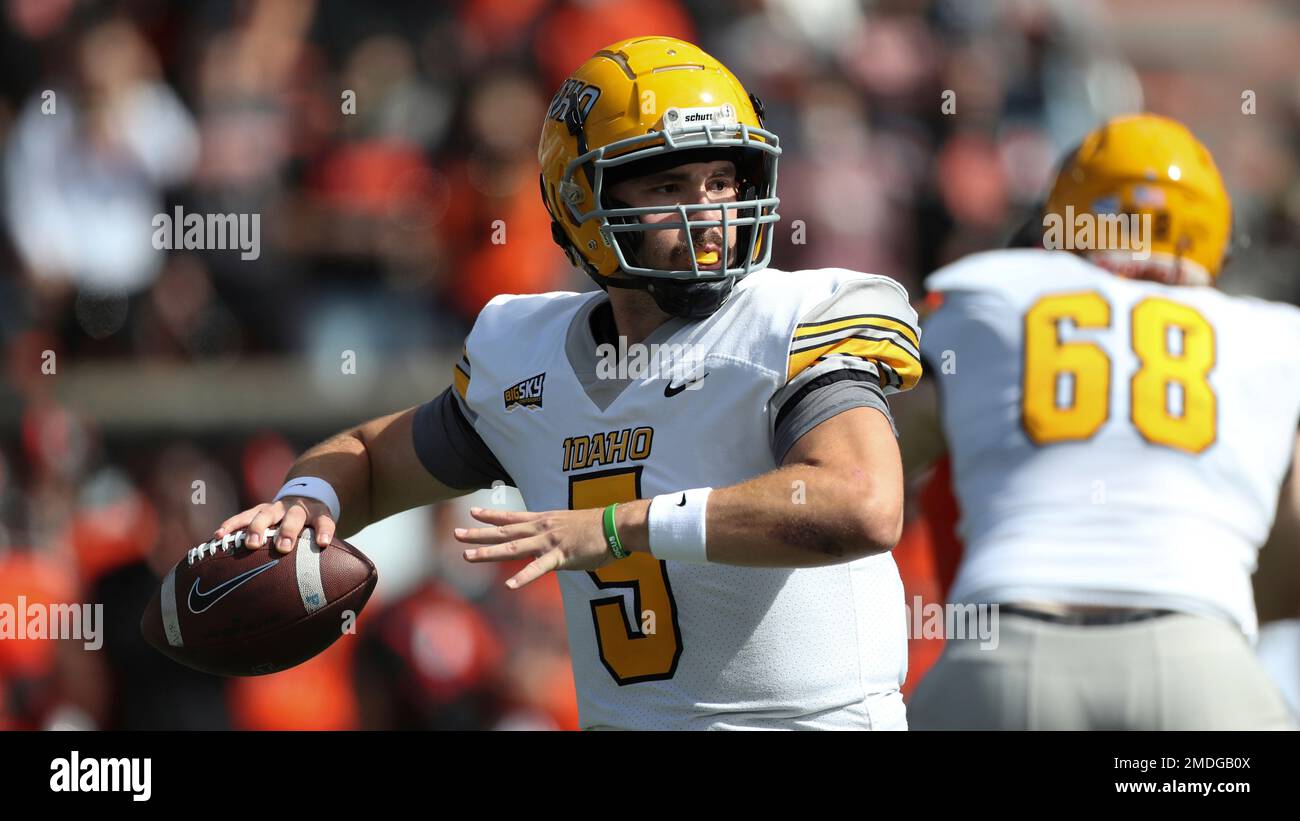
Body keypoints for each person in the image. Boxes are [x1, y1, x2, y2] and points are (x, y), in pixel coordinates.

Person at [207, 36, 923, 730]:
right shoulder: (528, 357)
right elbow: (368, 459)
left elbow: (861, 501)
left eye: (722, 181)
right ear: (582, 200)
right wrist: (305, 501)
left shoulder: (791, 320)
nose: (708, 214)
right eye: (669, 184)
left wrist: (617, 524)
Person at [901, 114, 1300, 730]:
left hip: (1008, 654)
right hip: (1200, 661)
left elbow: (872, 457)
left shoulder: (990, 293)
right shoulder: (1268, 333)